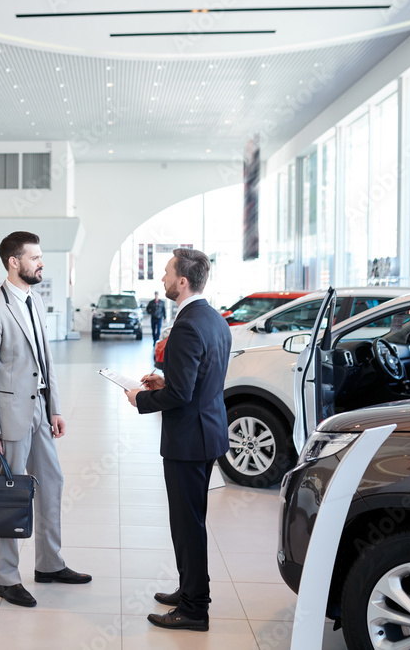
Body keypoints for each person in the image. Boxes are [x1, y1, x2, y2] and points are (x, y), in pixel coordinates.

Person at [0, 231, 91, 608]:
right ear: (14, 262)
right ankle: (6, 578)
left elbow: (46, 360)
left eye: (40, 256)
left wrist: (55, 407)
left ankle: (49, 564)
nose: (41, 263)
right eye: (35, 257)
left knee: (51, 482)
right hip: (9, 417)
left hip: (40, 409)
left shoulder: (35, 301)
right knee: (10, 493)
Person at [124, 248, 231, 632]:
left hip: (189, 440)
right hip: (209, 433)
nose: (164, 279)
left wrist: (141, 398)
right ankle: (190, 590)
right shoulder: (214, 318)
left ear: (182, 281)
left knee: (187, 526)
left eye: (168, 273)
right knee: (191, 522)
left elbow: (182, 396)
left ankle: (194, 609)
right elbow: (198, 382)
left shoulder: (187, 324)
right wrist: (167, 381)